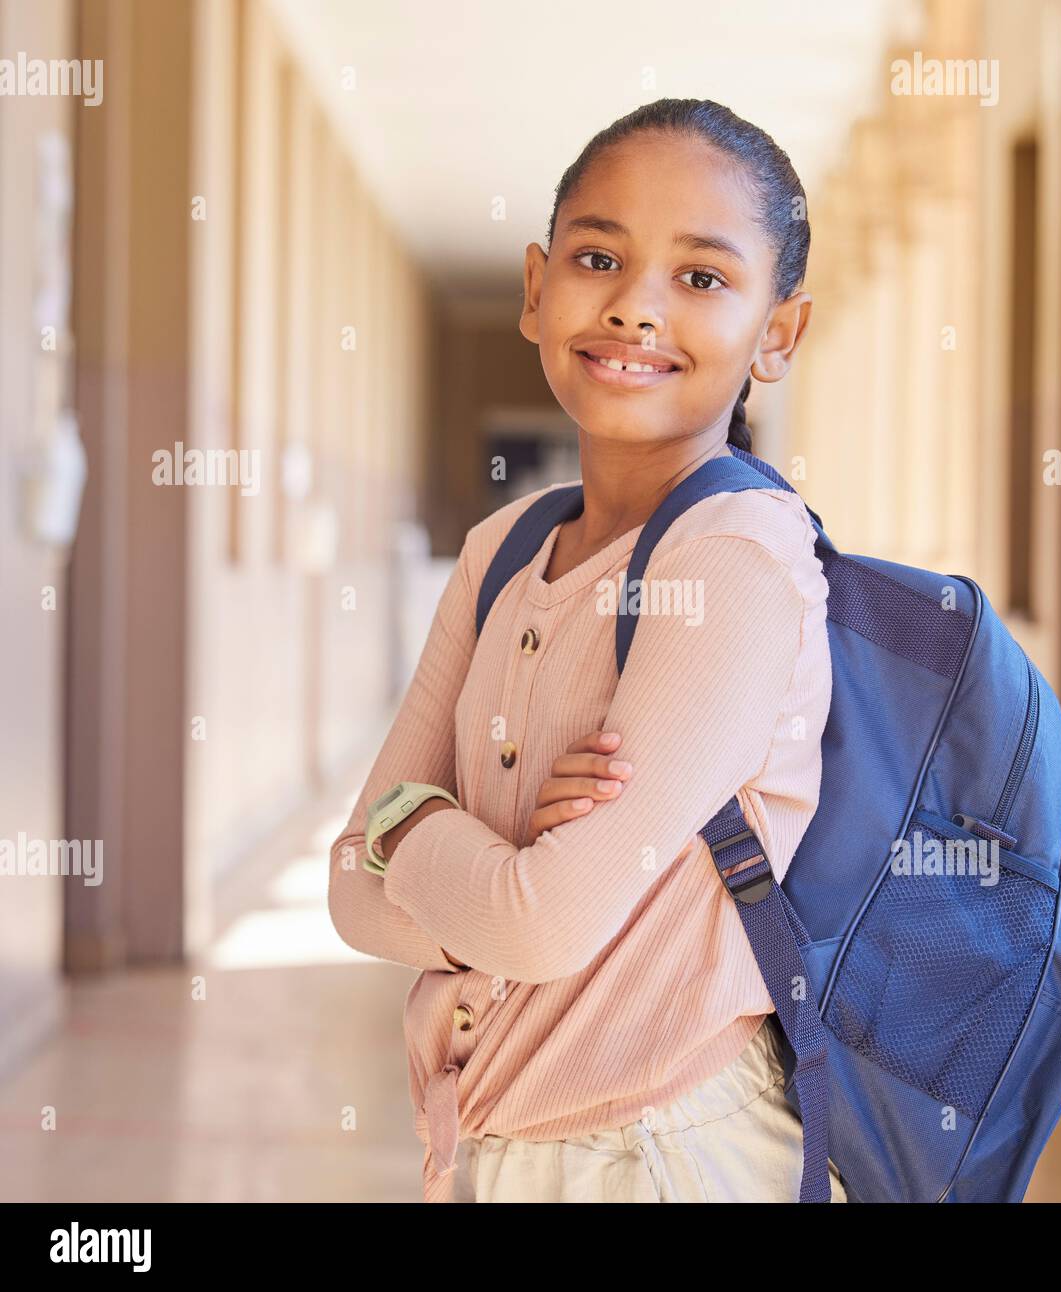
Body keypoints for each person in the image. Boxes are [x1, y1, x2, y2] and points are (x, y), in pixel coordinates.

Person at [327, 98, 845, 1202]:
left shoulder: (735, 557)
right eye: (598, 256)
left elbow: (539, 918)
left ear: (778, 334)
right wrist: (493, 860)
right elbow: (345, 892)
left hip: (668, 1149)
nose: (635, 308)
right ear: (534, 286)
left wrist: (412, 821)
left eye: (701, 278)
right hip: (518, 1143)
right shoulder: (504, 549)